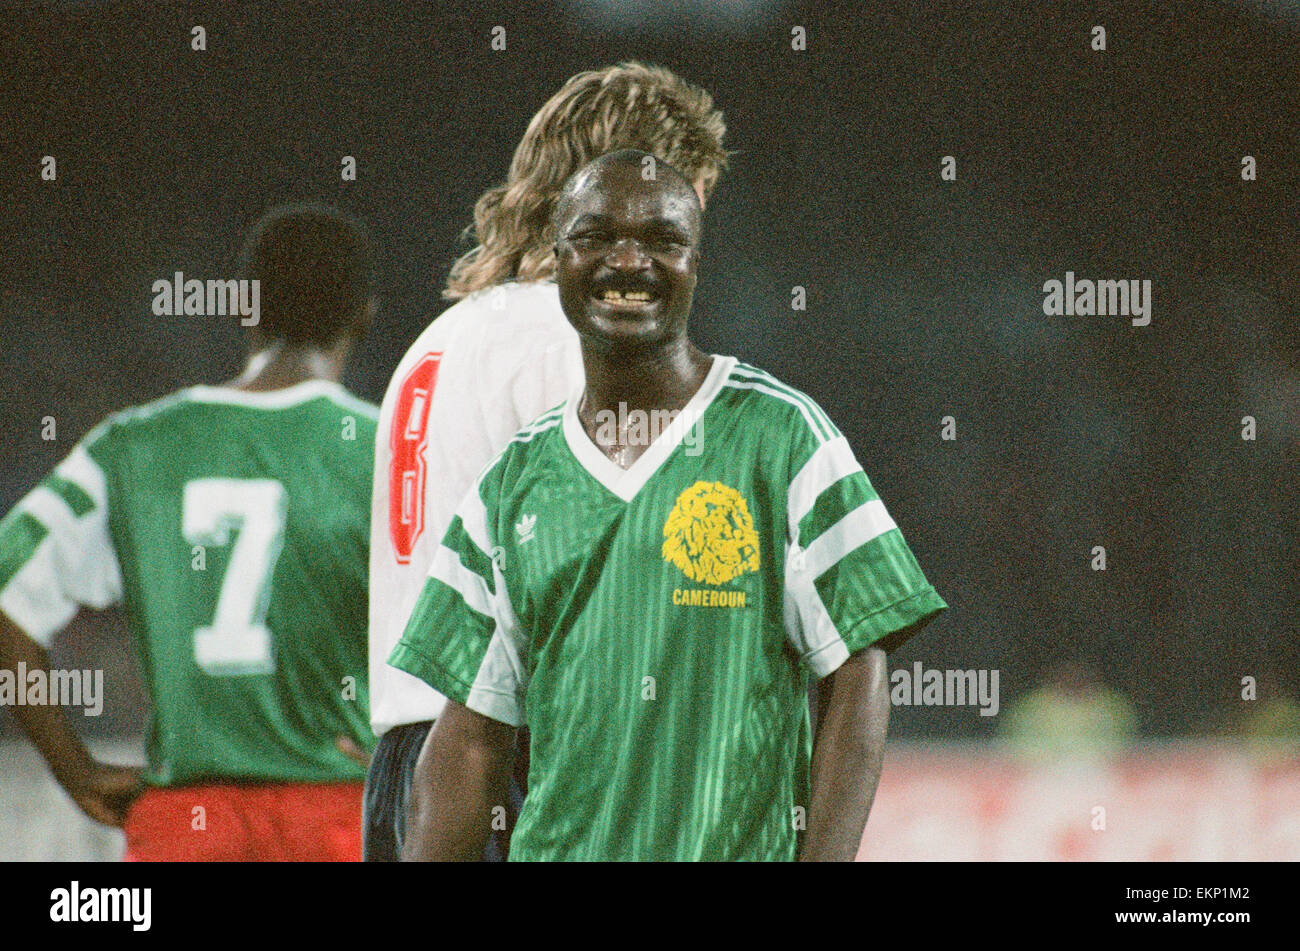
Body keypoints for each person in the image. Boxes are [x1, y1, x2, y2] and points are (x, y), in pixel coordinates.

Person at [391, 151, 947, 861]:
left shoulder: (783, 438)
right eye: (595, 236)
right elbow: (469, 740)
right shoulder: (513, 484)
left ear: (695, 266)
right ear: (557, 260)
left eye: (662, 240)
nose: (628, 261)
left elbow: (858, 671)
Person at [365, 62, 728, 861]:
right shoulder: (570, 346)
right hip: (514, 762)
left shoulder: (435, 344)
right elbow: (614, 587)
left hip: (403, 770)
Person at [0, 203, 379, 861]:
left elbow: (7, 592)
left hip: (186, 824)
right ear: (364, 313)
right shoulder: (390, 450)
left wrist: (74, 766)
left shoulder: (130, 446)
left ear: (245, 309)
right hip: (339, 818)